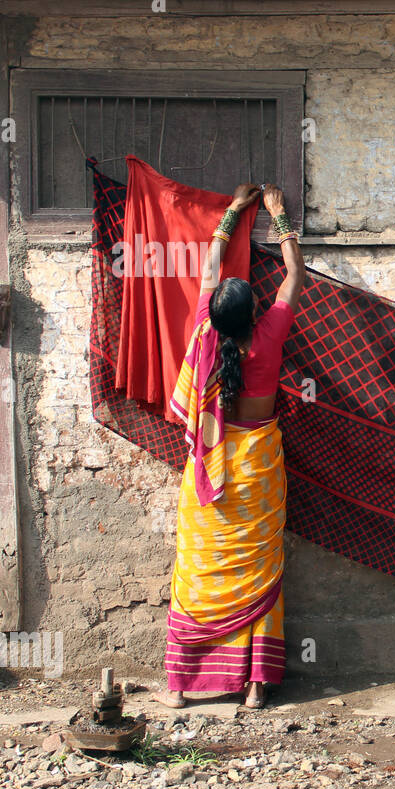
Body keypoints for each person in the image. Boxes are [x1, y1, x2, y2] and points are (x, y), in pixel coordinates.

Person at [153, 182, 305, 710]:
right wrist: (278, 215)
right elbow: (294, 276)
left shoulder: (203, 335)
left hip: (209, 470)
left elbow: (209, 269)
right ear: (253, 311)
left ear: (215, 315)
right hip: (258, 466)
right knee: (259, 567)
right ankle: (255, 686)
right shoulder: (269, 334)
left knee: (198, 568)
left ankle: (179, 686)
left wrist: (233, 212)